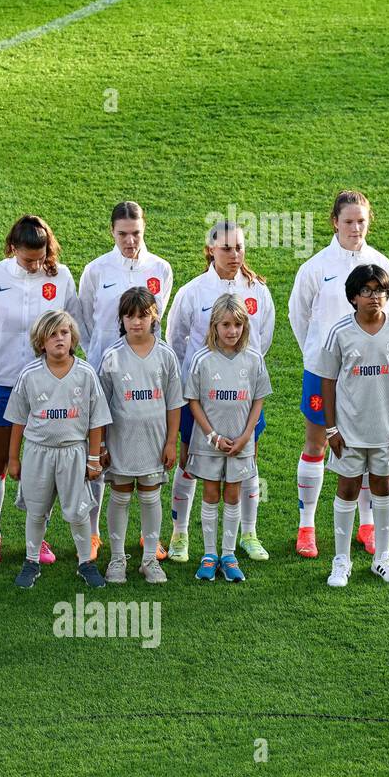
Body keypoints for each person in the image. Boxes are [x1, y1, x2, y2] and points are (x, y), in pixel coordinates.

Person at [0, 214, 82, 567]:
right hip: (3, 381)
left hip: (48, 384)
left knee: (43, 466)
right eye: (28, 258)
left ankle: (38, 539)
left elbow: (75, 325)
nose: (36, 263)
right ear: (13, 249)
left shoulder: (61, 277)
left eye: (41, 256)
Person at [288, 191, 389, 559]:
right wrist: (319, 357)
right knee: (317, 443)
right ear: (334, 221)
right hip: (323, 372)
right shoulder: (315, 268)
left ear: (369, 222)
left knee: (365, 445)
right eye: (348, 221)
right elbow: (299, 316)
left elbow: (383, 321)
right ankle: (306, 527)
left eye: (361, 221)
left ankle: (366, 525)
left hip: (367, 374)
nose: (355, 228)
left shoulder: (382, 264)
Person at [164, 219, 275, 562]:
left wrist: (240, 375)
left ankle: (249, 533)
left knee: (247, 460)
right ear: (210, 250)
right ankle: (180, 534)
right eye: (226, 247)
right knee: (189, 461)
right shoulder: (193, 291)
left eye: (239, 246)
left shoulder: (258, 290)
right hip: (198, 397)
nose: (234, 253)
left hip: (242, 395)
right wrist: (199, 378)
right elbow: (175, 338)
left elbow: (263, 340)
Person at [77, 201, 174, 561]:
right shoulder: (96, 270)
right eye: (123, 234)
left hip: (148, 377)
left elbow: (157, 322)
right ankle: (93, 533)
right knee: (102, 454)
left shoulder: (161, 269)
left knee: (149, 456)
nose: (130, 241)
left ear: (144, 229)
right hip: (107, 374)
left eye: (136, 233)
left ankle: (150, 540)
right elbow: (83, 317)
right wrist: (97, 354)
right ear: (112, 233)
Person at [316, 265, 389, 586]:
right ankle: (341, 560)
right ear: (354, 297)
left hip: (386, 430)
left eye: (380, 291)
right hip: (348, 432)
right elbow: (328, 382)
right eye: (367, 291)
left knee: (383, 486)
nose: (375, 297)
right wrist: (331, 429)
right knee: (346, 488)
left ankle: (382, 558)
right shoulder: (340, 332)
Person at [6, 311, 111, 590]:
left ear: (72, 337)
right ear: (41, 342)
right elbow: (17, 419)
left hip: (74, 452)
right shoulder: (29, 375)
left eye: (64, 333)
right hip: (38, 452)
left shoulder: (86, 373)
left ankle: (85, 562)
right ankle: (31, 561)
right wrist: (13, 458)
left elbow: (96, 420)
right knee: (36, 511)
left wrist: (93, 458)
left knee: (78, 512)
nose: (59, 338)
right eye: (52, 334)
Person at [96, 288, 184, 584]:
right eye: (130, 316)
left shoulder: (166, 355)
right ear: (121, 319)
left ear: (154, 317)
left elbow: (174, 403)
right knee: (120, 495)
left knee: (150, 496)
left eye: (143, 315)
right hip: (121, 442)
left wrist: (171, 442)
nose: (137, 322)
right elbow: (100, 407)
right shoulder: (112, 357)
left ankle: (149, 561)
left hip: (155, 442)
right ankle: (117, 559)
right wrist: (103, 444)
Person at [183, 295, 271, 582]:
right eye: (225, 325)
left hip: (240, 443)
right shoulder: (201, 359)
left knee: (233, 494)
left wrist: (246, 436)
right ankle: (209, 554)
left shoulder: (254, 359)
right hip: (210, 443)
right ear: (214, 326)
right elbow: (193, 401)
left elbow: (258, 400)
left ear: (245, 326)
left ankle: (229, 554)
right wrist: (212, 436)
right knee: (210, 493)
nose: (231, 331)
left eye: (237, 325)